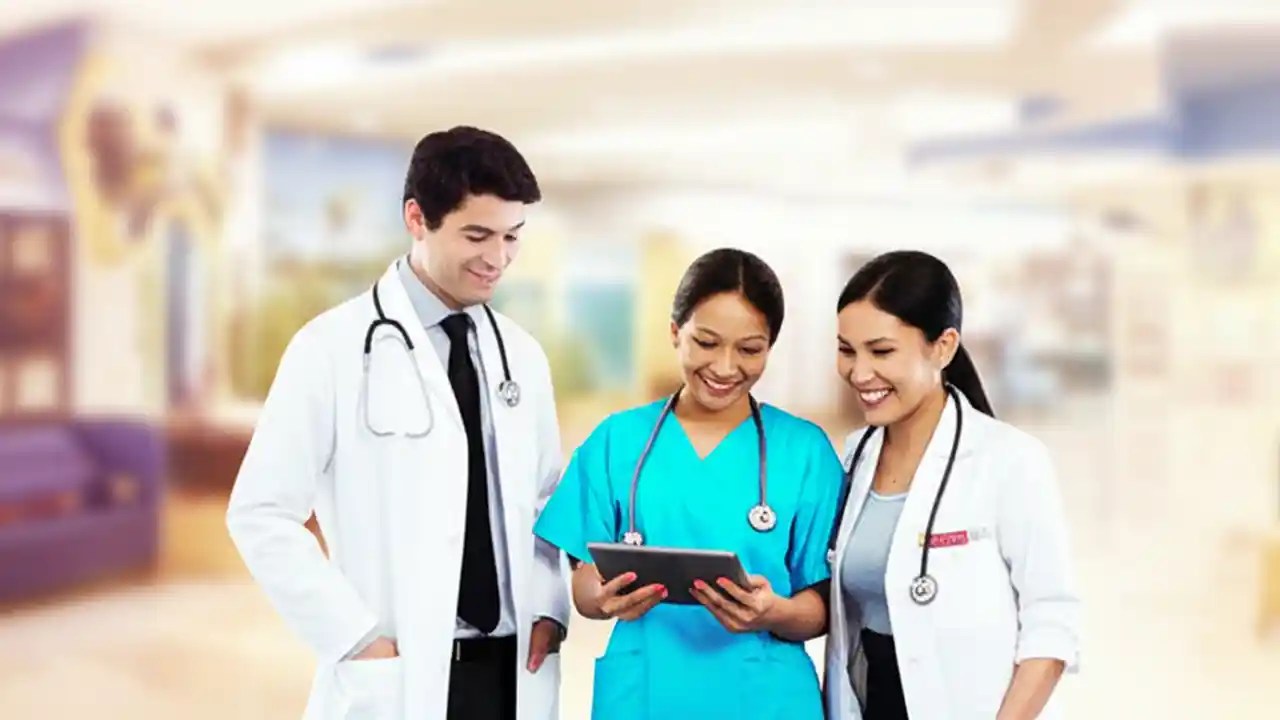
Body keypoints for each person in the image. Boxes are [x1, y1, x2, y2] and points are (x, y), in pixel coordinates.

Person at [226, 126, 569, 720]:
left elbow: (547, 501)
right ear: (417, 218)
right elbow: (261, 512)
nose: (498, 258)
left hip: (513, 672)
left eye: (512, 236)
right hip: (398, 671)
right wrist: (356, 638)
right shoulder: (330, 348)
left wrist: (550, 608)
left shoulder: (523, 356)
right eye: (477, 235)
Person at [534, 247, 842, 719]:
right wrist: (603, 597)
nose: (724, 367)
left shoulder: (804, 451)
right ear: (675, 333)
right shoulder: (618, 441)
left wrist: (772, 612)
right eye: (706, 342)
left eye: (749, 349)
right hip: (644, 693)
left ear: (770, 347)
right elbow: (582, 582)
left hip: (764, 693)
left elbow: (821, 605)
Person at [823, 250, 1081, 719]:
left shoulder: (1010, 461)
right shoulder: (853, 455)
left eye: (881, 351)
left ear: (943, 347)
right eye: (846, 350)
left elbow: (1052, 624)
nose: (859, 373)